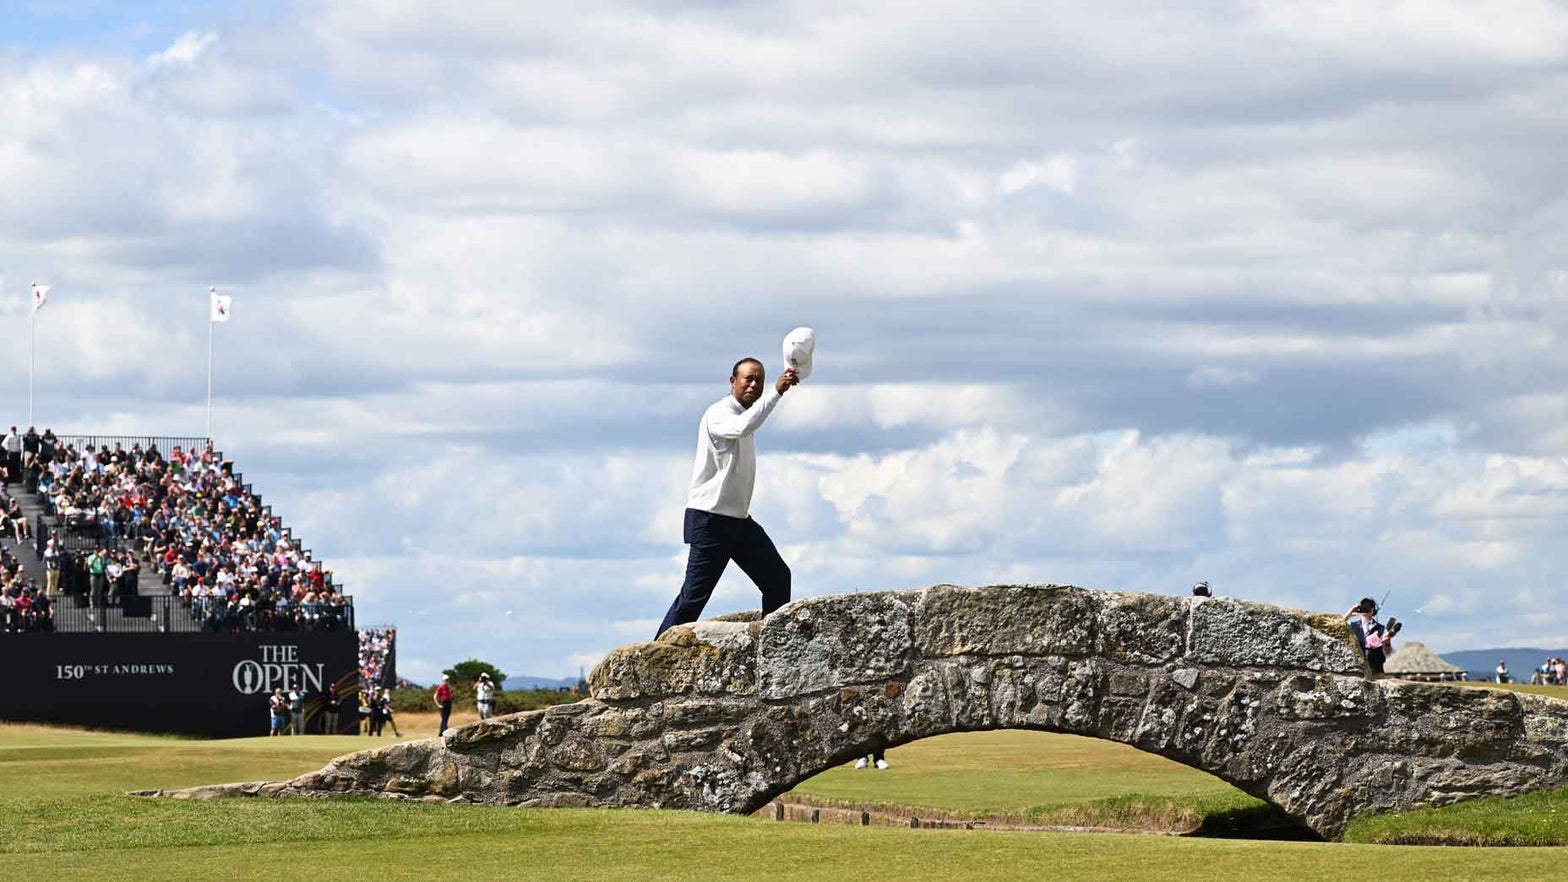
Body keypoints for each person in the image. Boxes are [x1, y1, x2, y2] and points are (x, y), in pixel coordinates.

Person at [656, 357, 801, 636]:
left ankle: (773, 647)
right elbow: (742, 426)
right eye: (749, 378)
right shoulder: (720, 413)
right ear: (733, 381)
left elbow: (749, 422)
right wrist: (776, 391)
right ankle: (654, 652)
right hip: (711, 520)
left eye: (760, 379)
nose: (755, 384)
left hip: (738, 521)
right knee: (693, 598)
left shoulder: (747, 415)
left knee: (778, 577)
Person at [1343, 598, 1398, 677]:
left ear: (1372, 610)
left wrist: (1387, 642)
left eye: (1367, 607)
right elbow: (1337, 625)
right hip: (1357, 670)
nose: (1364, 608)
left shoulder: (1381, 629)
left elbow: (1388, 652)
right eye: (1363, 606)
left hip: (1376, 670)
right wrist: (1349, 613)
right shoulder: (1352, 626)